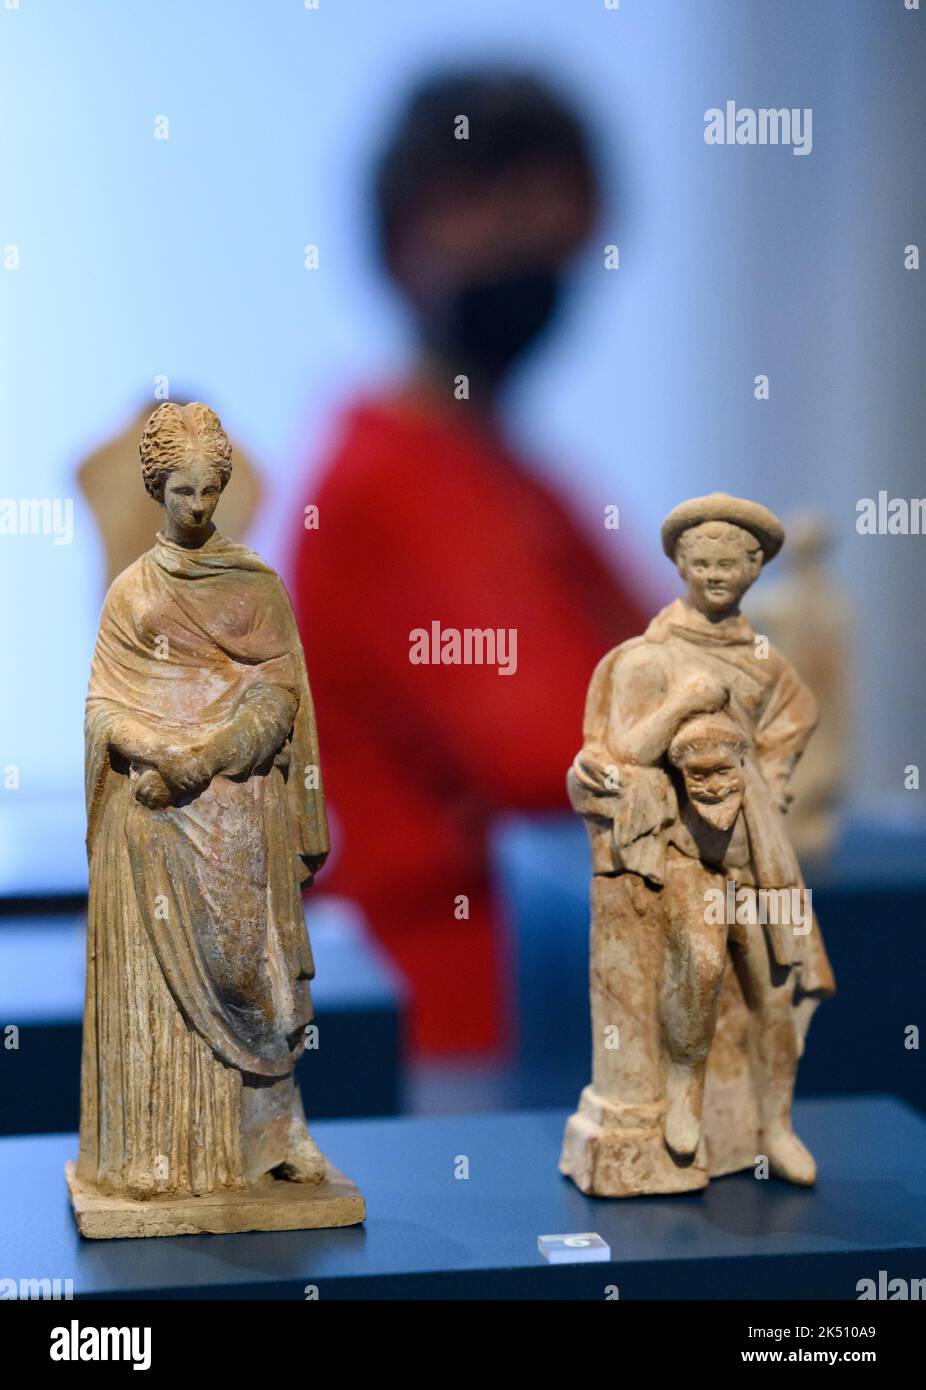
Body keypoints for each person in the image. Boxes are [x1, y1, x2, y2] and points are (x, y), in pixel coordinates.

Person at [291, 70, 649, 1056]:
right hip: (451, 1031)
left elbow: (690, 662)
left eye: (551, 211)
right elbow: (553, 754)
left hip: (548, 1008)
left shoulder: (512, 471)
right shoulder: (381, 482)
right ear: (402, 241)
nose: (526, 240)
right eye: (488, 205)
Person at [79, 402, 329, 1200]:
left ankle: (273, 1133)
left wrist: (208, 755)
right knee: (152, 988)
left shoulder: (254, 586)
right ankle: (154, 1153)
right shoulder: (131, 593)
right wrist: (156, 750)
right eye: (183, 491)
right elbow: (101, 707)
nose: (197, 506)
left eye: (210, 490)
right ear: (157, 488)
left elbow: (279, 697)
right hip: (147, 816)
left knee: (252, 973)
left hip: (235, 800)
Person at [565, 493, 835, 1192]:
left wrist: (772, 779)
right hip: (685, 851)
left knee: (776, 991)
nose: (717, 575)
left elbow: (795, 715)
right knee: (703, 970)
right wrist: (683, 703)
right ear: (681, 563)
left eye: (732, 564)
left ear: (753, 569)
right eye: (703, 562)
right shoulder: (647, 657)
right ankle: (684, 1090)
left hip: (761, 853)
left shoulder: (762, 656)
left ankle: (772, 1126)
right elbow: (621, 750)